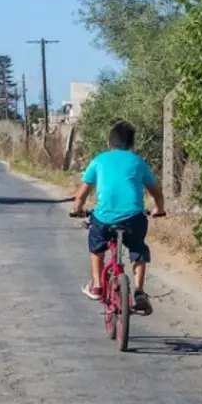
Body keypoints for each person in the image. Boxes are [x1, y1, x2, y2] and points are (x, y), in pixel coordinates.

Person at [70, 120, 166, 315]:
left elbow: (81, 194)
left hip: (104, 219)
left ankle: (97, 285)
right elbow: (156, 193)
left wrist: (77, 209)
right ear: (132, 144)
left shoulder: (99, 160)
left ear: (109, 142)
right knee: (138, 247)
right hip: (133, 219)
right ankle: (139, 291)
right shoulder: (138, 161)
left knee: (97, 247)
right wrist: (159, 209)